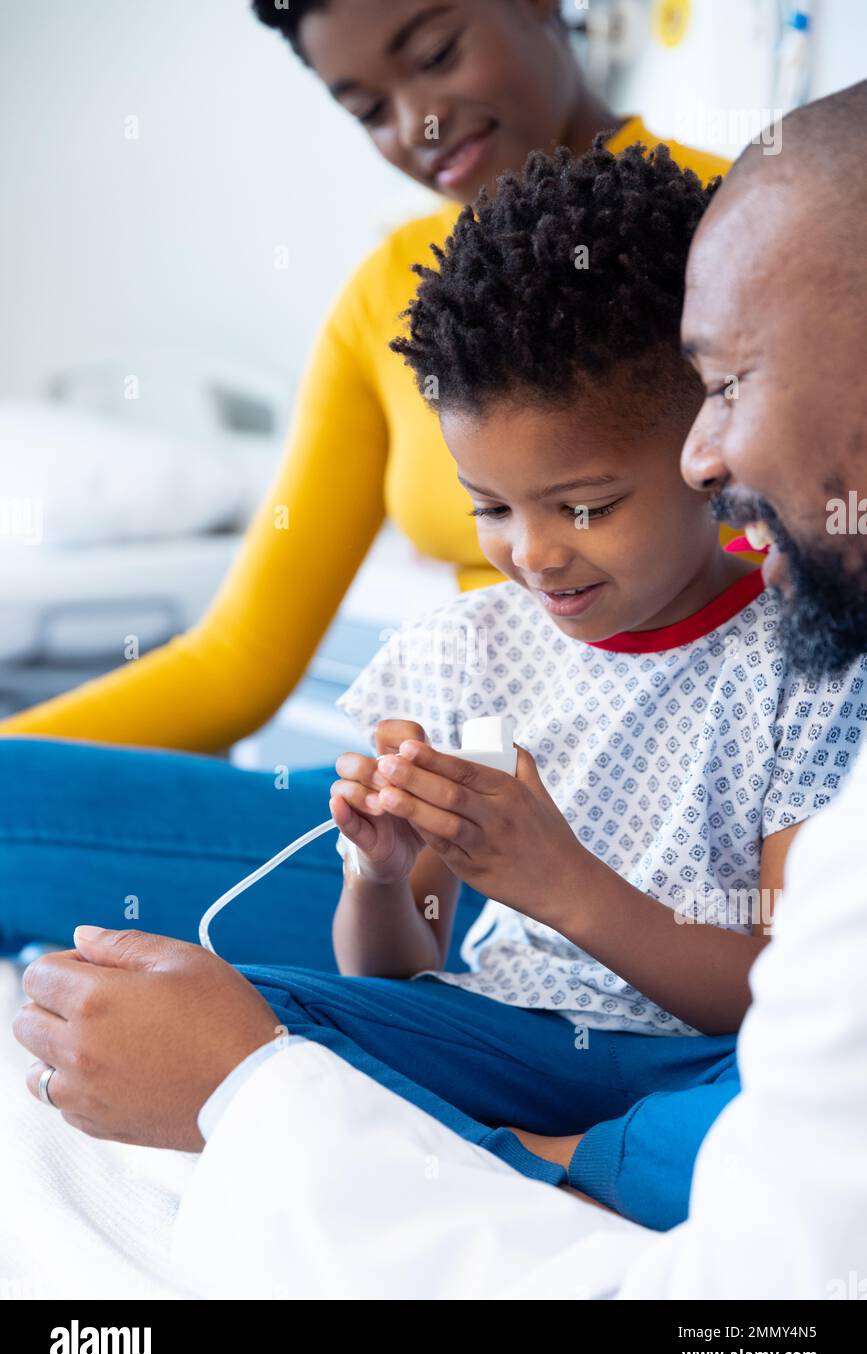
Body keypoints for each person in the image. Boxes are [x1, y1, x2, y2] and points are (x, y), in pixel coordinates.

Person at [13, 135, 866, 1246]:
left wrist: (565, 884)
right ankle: (496, 1144)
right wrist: (380, 874)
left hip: (696, 1053)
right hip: (499, 1028)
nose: (536, 554)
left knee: (760, 1115)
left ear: (702, 447)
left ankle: (530, 1159)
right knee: (251, 1013)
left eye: (586, 504)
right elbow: (404, 967)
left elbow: (778, 1000)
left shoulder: (803, 658)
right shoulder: (463, 649)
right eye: (491, 508)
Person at [0, 0, 735, 966]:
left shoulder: (750, 232)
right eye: (364, 109)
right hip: (449, 820)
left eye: (436, 54)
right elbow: (238, 660)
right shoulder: (391, 290)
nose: (415, 125)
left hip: (665, 843)